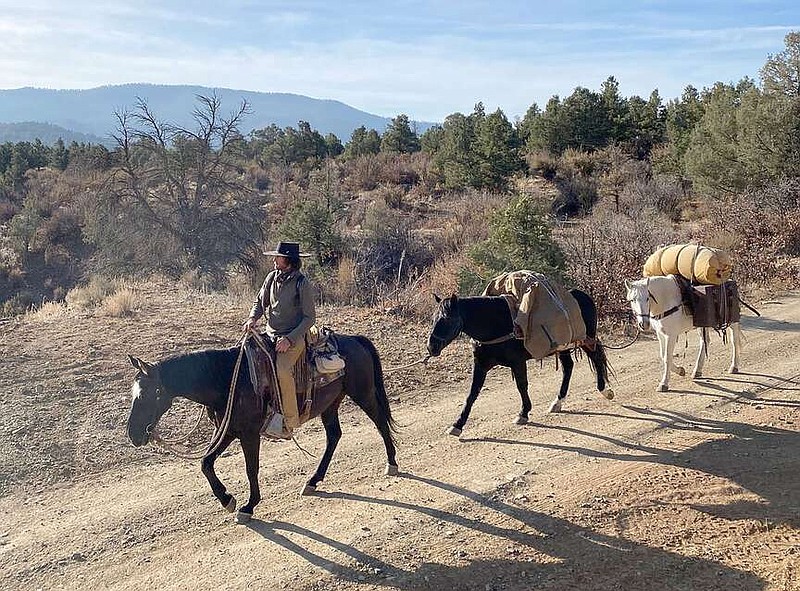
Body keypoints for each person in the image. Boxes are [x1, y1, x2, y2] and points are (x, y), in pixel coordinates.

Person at [243, 241, 315, 439]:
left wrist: (290, 339)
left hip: (293, 337)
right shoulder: (272, 277)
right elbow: (260, 302)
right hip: (271, 334)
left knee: (282, 370)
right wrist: (252, 318)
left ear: (289, 261)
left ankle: (289, 423)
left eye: (278, 257)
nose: (274, 260)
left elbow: (310, 318)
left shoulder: (302, 283)